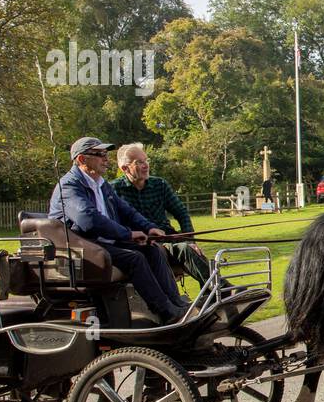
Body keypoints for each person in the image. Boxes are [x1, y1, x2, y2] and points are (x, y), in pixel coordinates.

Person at [48, 137, 191, 323]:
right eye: (99, 154)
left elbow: (127, 211)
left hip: (102, 243)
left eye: (105, 154)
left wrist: (149, 228)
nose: (105, 159)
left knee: (152, 248)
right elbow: (89, 219)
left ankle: (178, 304)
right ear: (82, 160)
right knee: (134, 259)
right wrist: (128, 234)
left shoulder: (101, 184)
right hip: (82, 247)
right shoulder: (68, 186)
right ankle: (166, 311)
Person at [111, 143, 212, 287]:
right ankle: (222, 290)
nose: (146, 165)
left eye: (146, 160)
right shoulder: (113, 189)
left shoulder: (159, 184)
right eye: (139, 162)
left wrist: (190, 240)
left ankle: (214, 293)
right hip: (143, 244)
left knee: (192, 250)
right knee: (184, 249)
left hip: (167, 236)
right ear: (124, 168)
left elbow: (181, 213)